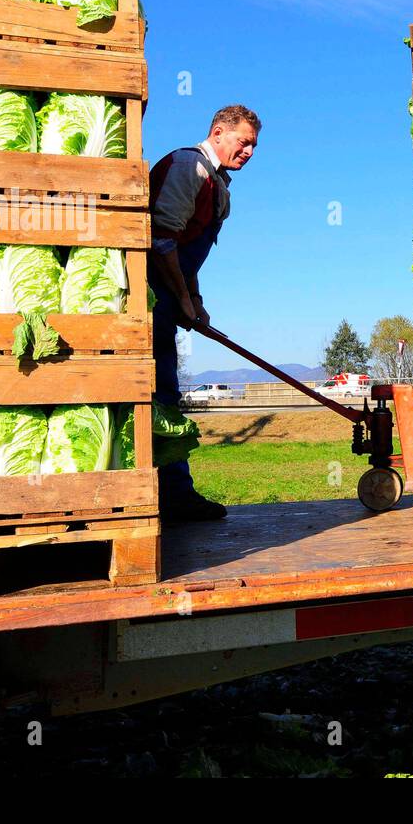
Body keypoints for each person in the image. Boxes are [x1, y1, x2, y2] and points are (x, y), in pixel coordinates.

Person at [148, 104, 260, 522]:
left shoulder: (217, 183)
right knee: (159, 394)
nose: (248, 151)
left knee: (165, 393)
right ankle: (171, 497)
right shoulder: (188, 166)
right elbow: (160, 239)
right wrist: (180, 298)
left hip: (167, 294)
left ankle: (172, 493)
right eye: (242, 141)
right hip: (148, 295)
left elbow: (187, 251)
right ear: (217, 132)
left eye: (253, 145)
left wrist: (196, 302)